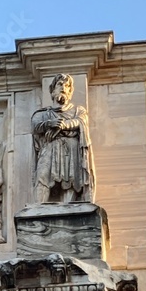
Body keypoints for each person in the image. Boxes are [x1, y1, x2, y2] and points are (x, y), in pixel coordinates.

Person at [31, 73, 95, 203]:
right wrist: (50, 123)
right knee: (42, 176)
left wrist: (64, 125)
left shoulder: (78, 110)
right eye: (60, 84)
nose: (63, 88)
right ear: (53, 90)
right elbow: (35, 124)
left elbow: (81, 121)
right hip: (49, 147)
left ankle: (69, 207)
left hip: (70, 148)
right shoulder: (44, 113)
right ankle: (38, 207)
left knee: (70, 179)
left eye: (67, 86)